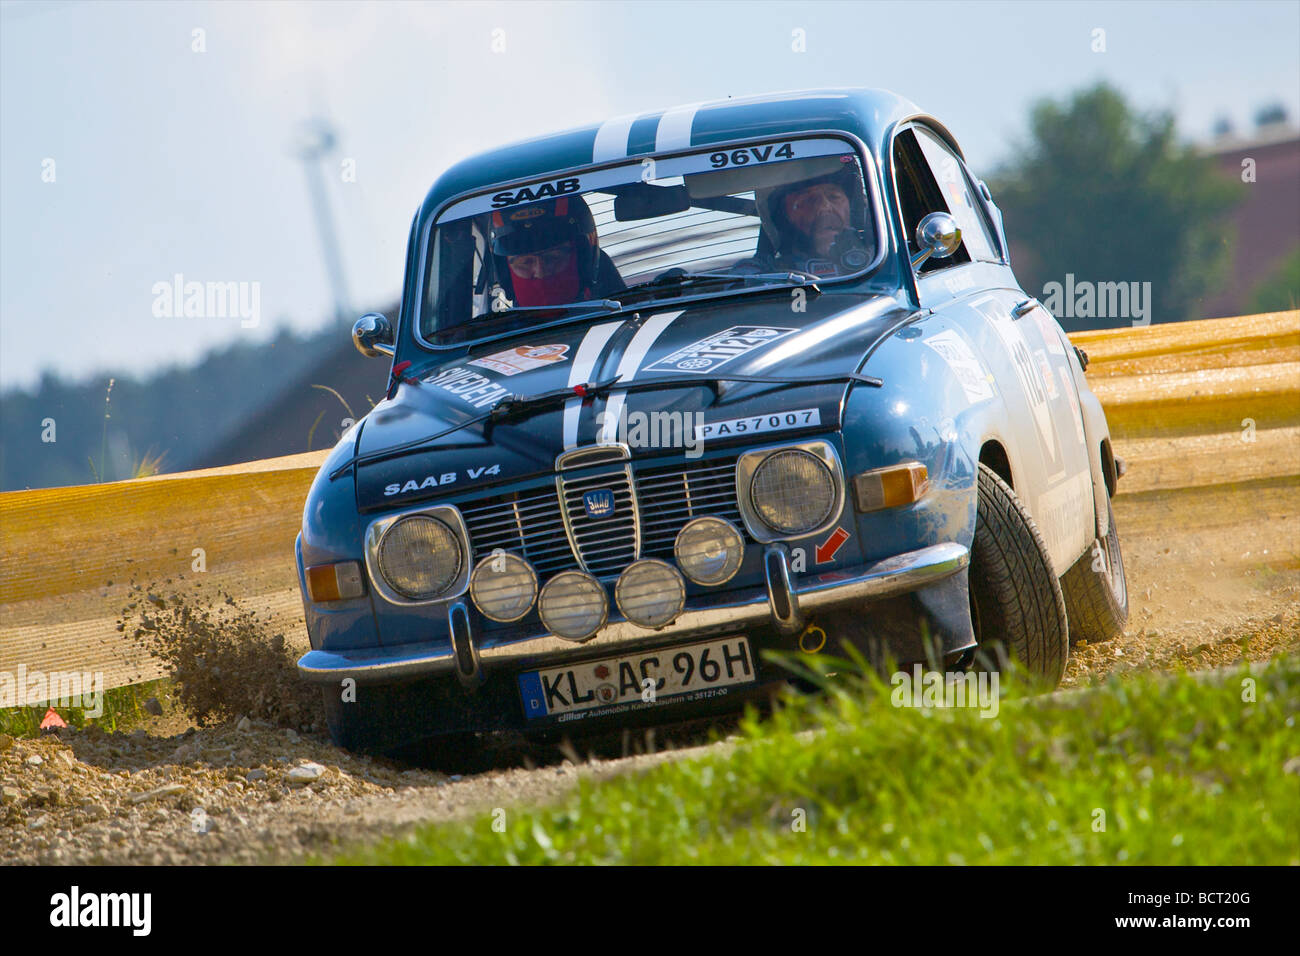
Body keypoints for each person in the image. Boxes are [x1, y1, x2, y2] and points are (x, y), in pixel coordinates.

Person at [738, 163, 875, 278]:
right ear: (783, 219)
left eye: (833, 196)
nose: (824, 207)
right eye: (809, 200)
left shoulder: (882, 257)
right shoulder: (760, 274)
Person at [489, 195, 625, 308]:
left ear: (582, 260)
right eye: (525, 262)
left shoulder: (625, 316)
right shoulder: (488, 335)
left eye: (553, 257)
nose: (541, 272)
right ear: (504, 273)